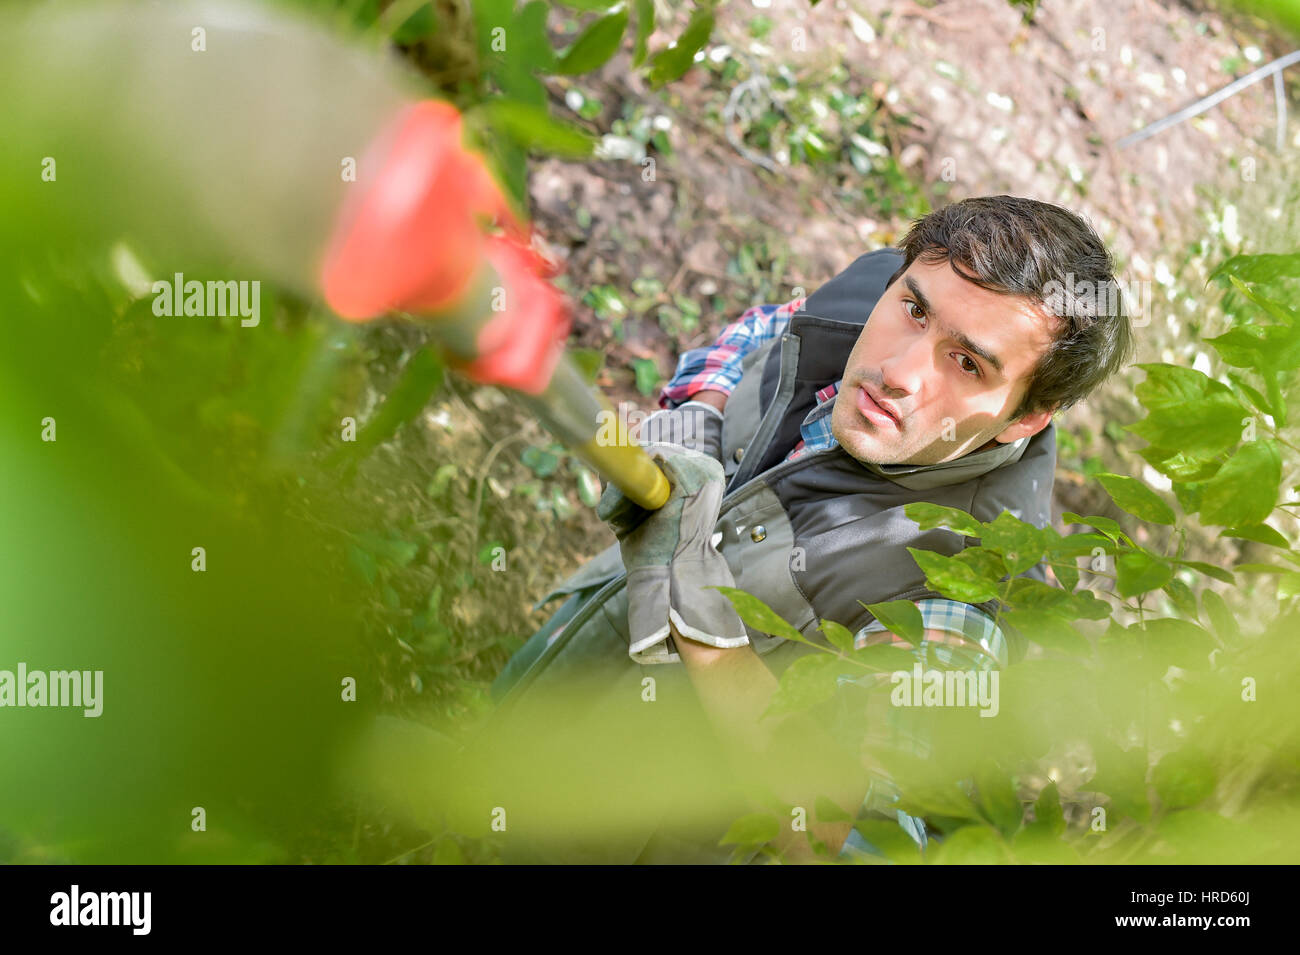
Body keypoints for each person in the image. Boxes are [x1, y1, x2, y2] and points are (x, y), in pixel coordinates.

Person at [488, 195, 1134, 863]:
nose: (900, 372)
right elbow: (754, 338)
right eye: (914, 310)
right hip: (573, 662)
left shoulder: (965, 591)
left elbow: (841, 832)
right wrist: (695, 425)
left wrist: (699, 610)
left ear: (1025, 417)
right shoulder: (866, 294)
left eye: (967, 362)